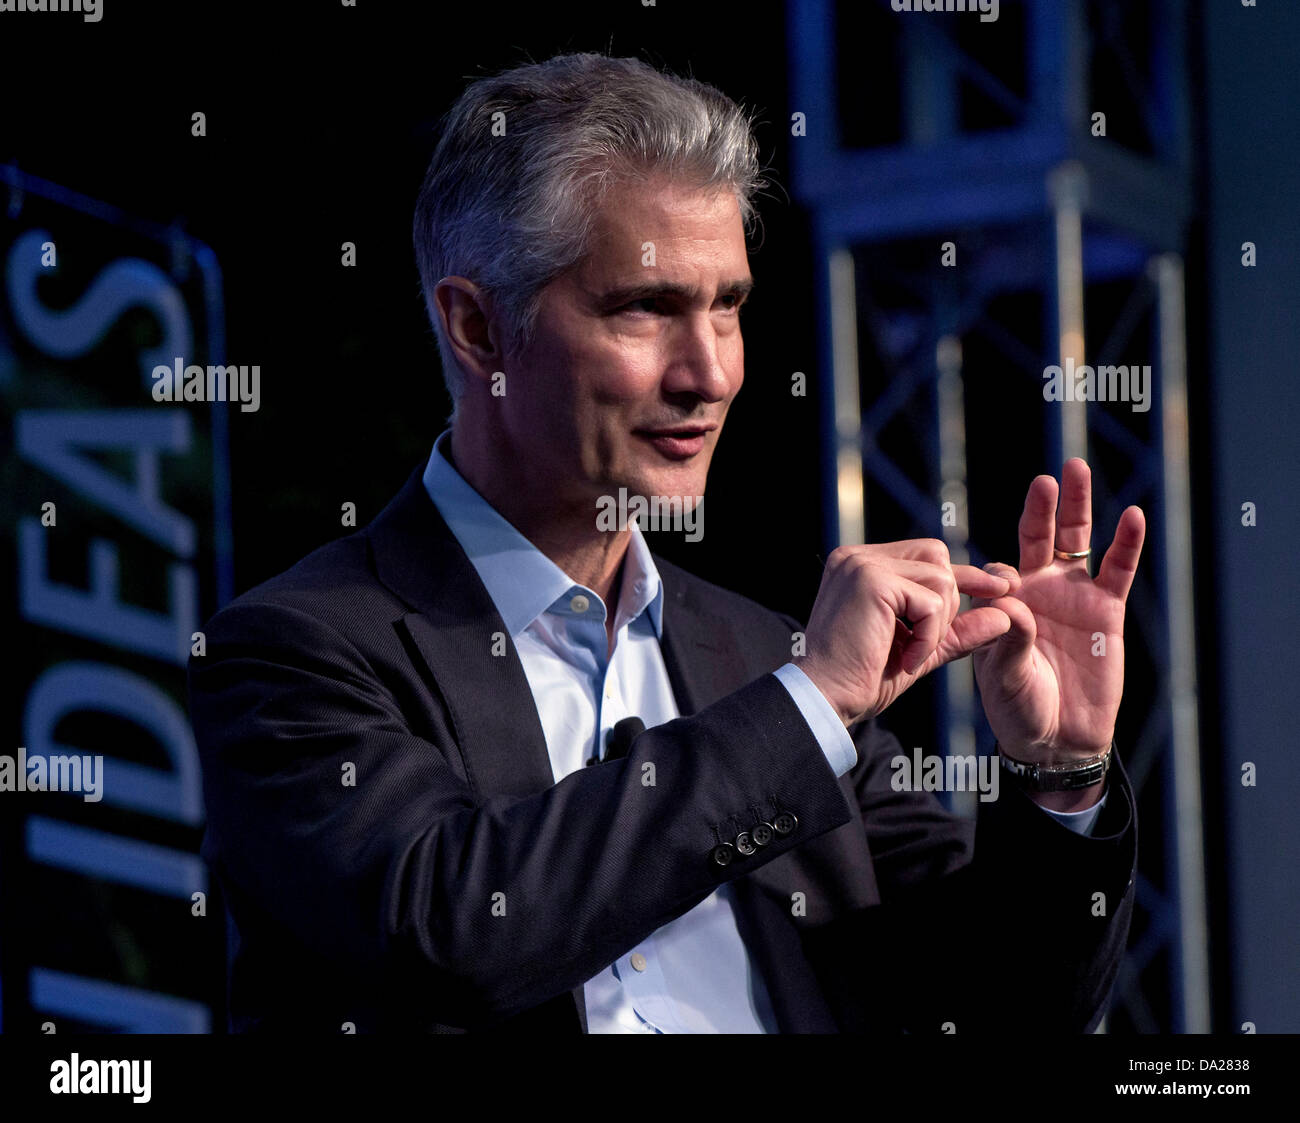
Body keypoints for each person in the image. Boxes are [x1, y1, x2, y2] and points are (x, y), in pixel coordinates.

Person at [187, 52, 1144, 1033]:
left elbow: (1000, 1010)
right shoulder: (292, 651)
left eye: (727, 305)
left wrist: (1057, 772)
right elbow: (452, 931)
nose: (710, 374)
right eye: (645, 308)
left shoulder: (764, 661)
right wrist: (807, 703)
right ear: (477, 328)